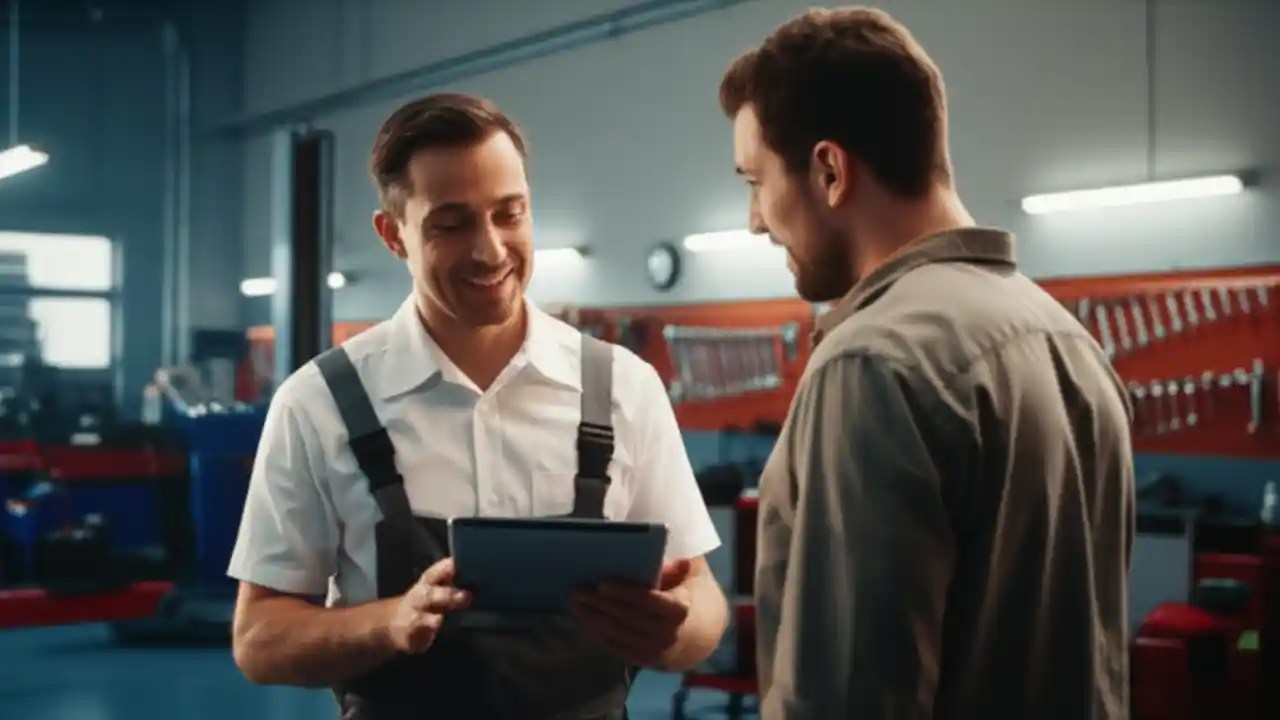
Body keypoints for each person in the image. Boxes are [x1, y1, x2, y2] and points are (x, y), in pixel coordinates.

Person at [227, 92, 727, 719]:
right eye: (451, 223)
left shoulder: (624, 387)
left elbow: (702, 598)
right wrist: (389, 623)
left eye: (509, 214)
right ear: (394, 235)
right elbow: (258, 639)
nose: (489, 250)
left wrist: (676, 631)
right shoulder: (318, 403)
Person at [719, 7, 1134, 719]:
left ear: (828, 171)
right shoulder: (1071, 344)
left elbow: (848, 696)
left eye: (754, 182)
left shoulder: (871, 364)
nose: (755, 219)